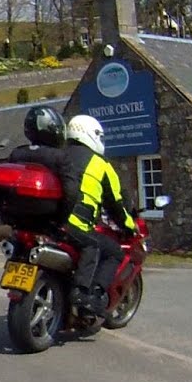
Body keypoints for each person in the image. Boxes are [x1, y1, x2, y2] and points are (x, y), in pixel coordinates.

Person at [61, 114, 139, 316]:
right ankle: (91, 297)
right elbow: (116, 204)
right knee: (113, 252)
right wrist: (129, 226)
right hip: (75, 225)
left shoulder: (58, 155)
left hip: (50, 222)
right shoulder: (101, 165)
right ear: (91, 135)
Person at [8, 104, 75, 223]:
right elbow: (70, 194)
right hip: (50, 220)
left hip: (20, 220)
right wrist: (61, 220)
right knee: (99, 242)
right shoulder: (59, 157)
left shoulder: (17, 154)